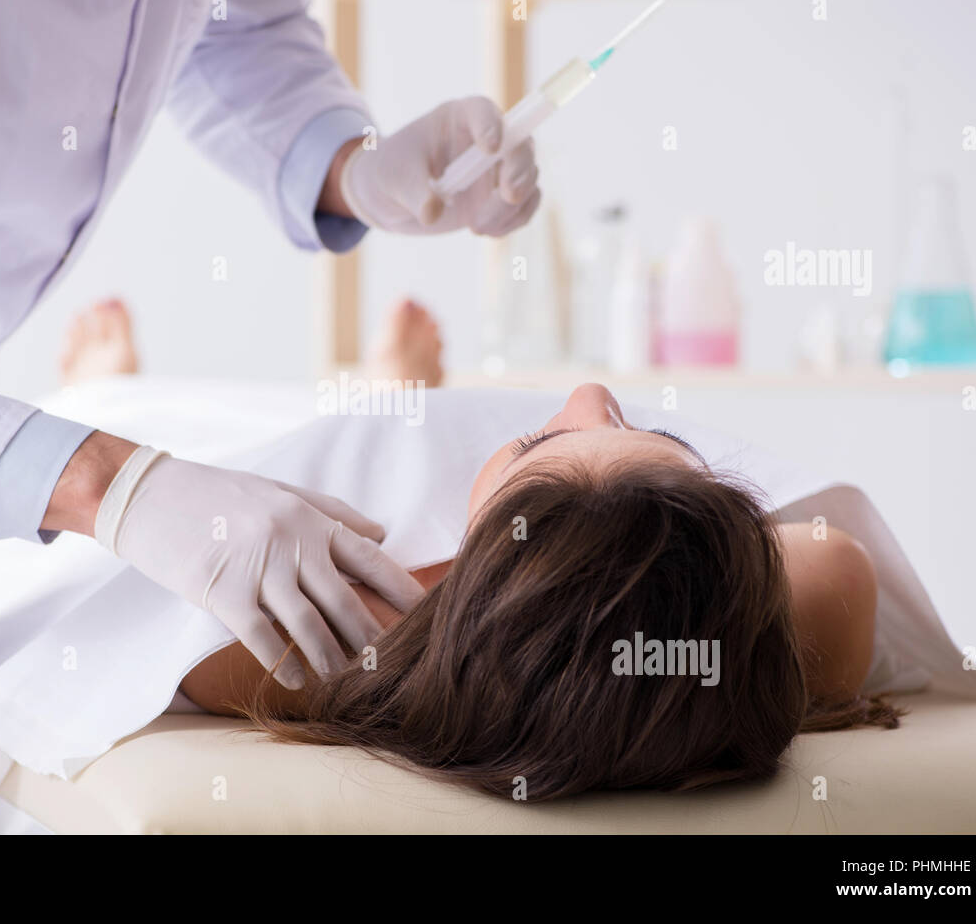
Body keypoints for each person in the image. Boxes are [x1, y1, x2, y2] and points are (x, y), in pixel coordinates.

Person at [0, 0, 540, 833]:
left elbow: (233, 12)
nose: (596, 396)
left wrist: (349, 166)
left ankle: (131, 392)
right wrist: (111, 482)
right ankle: (127, 392)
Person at [49, 297, 901, 801]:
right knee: (374, 422)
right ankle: (382, 398)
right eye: (652, 430)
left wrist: (485, 595)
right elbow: (832, 560)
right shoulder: (814, 591)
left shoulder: (272, 651)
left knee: (195, 432)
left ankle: (118, 394)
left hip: (281, 476)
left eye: (533, 442)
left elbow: (137, 632)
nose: (591, 390)